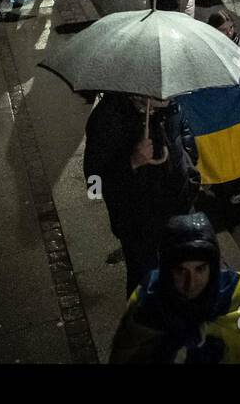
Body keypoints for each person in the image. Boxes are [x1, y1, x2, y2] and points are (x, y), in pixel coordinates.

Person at [108, 213, 240, 363]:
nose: (191, 283)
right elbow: (125, 353)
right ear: (168, 271)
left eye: (200, 269)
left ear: (213, 267)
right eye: (181, 271)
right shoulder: (147, 300)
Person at [84, 96, 201, 297]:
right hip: (138, 222)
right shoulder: (109, 116)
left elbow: (185, 137)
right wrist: (132, 163)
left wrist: (189, 173)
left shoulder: (171, 105)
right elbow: (94, 181)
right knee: (144, 282)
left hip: (180, 210)